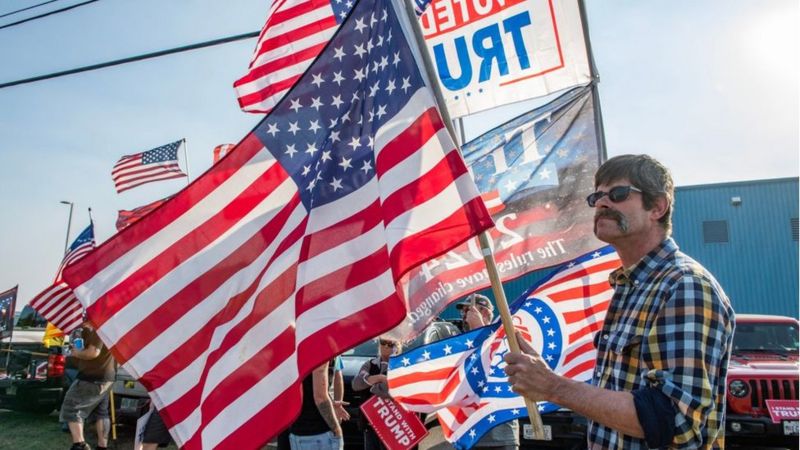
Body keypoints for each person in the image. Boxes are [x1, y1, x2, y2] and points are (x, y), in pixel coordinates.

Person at [504, 154, 735, 449]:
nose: (602, 203)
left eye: (618, 194)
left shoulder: (684, 285)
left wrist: (553, 386)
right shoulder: (629, 285)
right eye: (597, 196)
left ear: (657, 207)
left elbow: (675, 420)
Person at [457, 294, 520, 450]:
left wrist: (479, 329)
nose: (464, 317)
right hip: (470, 434)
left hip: (501, 435)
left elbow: (497, 365)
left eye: (467, 311)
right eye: (463, 312)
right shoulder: (462, 342)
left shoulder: (504, 334)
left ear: (483, 312)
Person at [60, 321, 116, 450]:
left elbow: (93, 352)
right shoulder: (107, 326)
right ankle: (102, 446)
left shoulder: (98, 328)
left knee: (71, 408)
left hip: (91, 376)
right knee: (101, 412)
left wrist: (76, 353)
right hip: (107, 376)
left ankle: (79, 445)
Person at [351, 337, 402, 450]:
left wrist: (370, 384)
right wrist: (380, 378)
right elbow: (356, 385)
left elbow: (391, 392)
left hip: (394, 426)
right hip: (371, 424)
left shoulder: (401, 366)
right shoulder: (370, 364)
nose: (385, 347)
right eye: (383, 343)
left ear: (396, 346)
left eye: (389, 344)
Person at [288, 359, 345, 450]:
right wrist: (336, 429)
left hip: (297, 429)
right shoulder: (322, 350)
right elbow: (320, 397)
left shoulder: (299, 349)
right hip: (319, 433)